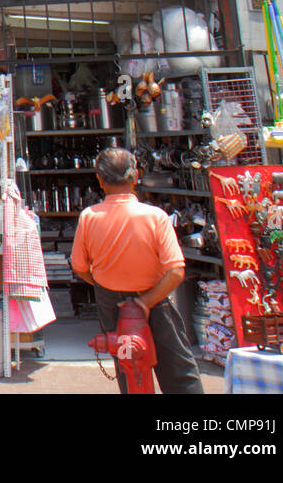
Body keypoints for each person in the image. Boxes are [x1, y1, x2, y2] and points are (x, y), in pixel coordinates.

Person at [71, 147, 204, 394]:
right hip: (155, 299)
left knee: (129, 369)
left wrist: (103, 283)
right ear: (135, 178)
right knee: (178, 372)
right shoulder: (155, 217)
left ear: (100, 180)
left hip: (111, 303)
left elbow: (80, 267)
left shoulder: (89, 217)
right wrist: (145, 302)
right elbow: (175, 272)